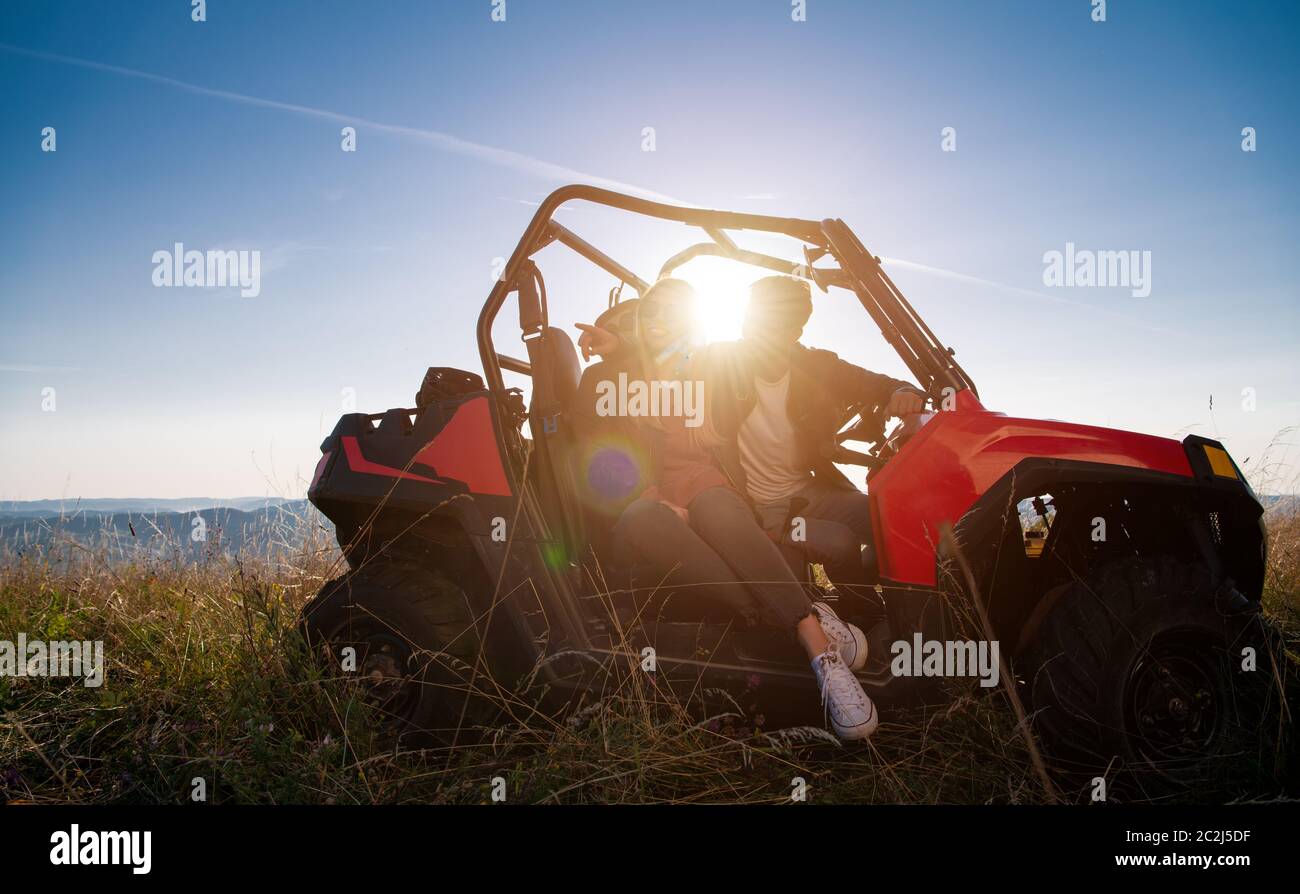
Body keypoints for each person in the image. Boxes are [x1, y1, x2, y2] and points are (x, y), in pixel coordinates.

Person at [571, 278, 879, 741]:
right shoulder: (604, 381)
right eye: (652, 310)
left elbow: (761, 350)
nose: (660, 320)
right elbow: (596, 455)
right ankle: (812, 620)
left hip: (702, 483)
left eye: (674, 313)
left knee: (718, 505)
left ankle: (822, 656)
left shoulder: (704, 370)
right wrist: (652, 496)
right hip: (640, 503)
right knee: (647, 519)